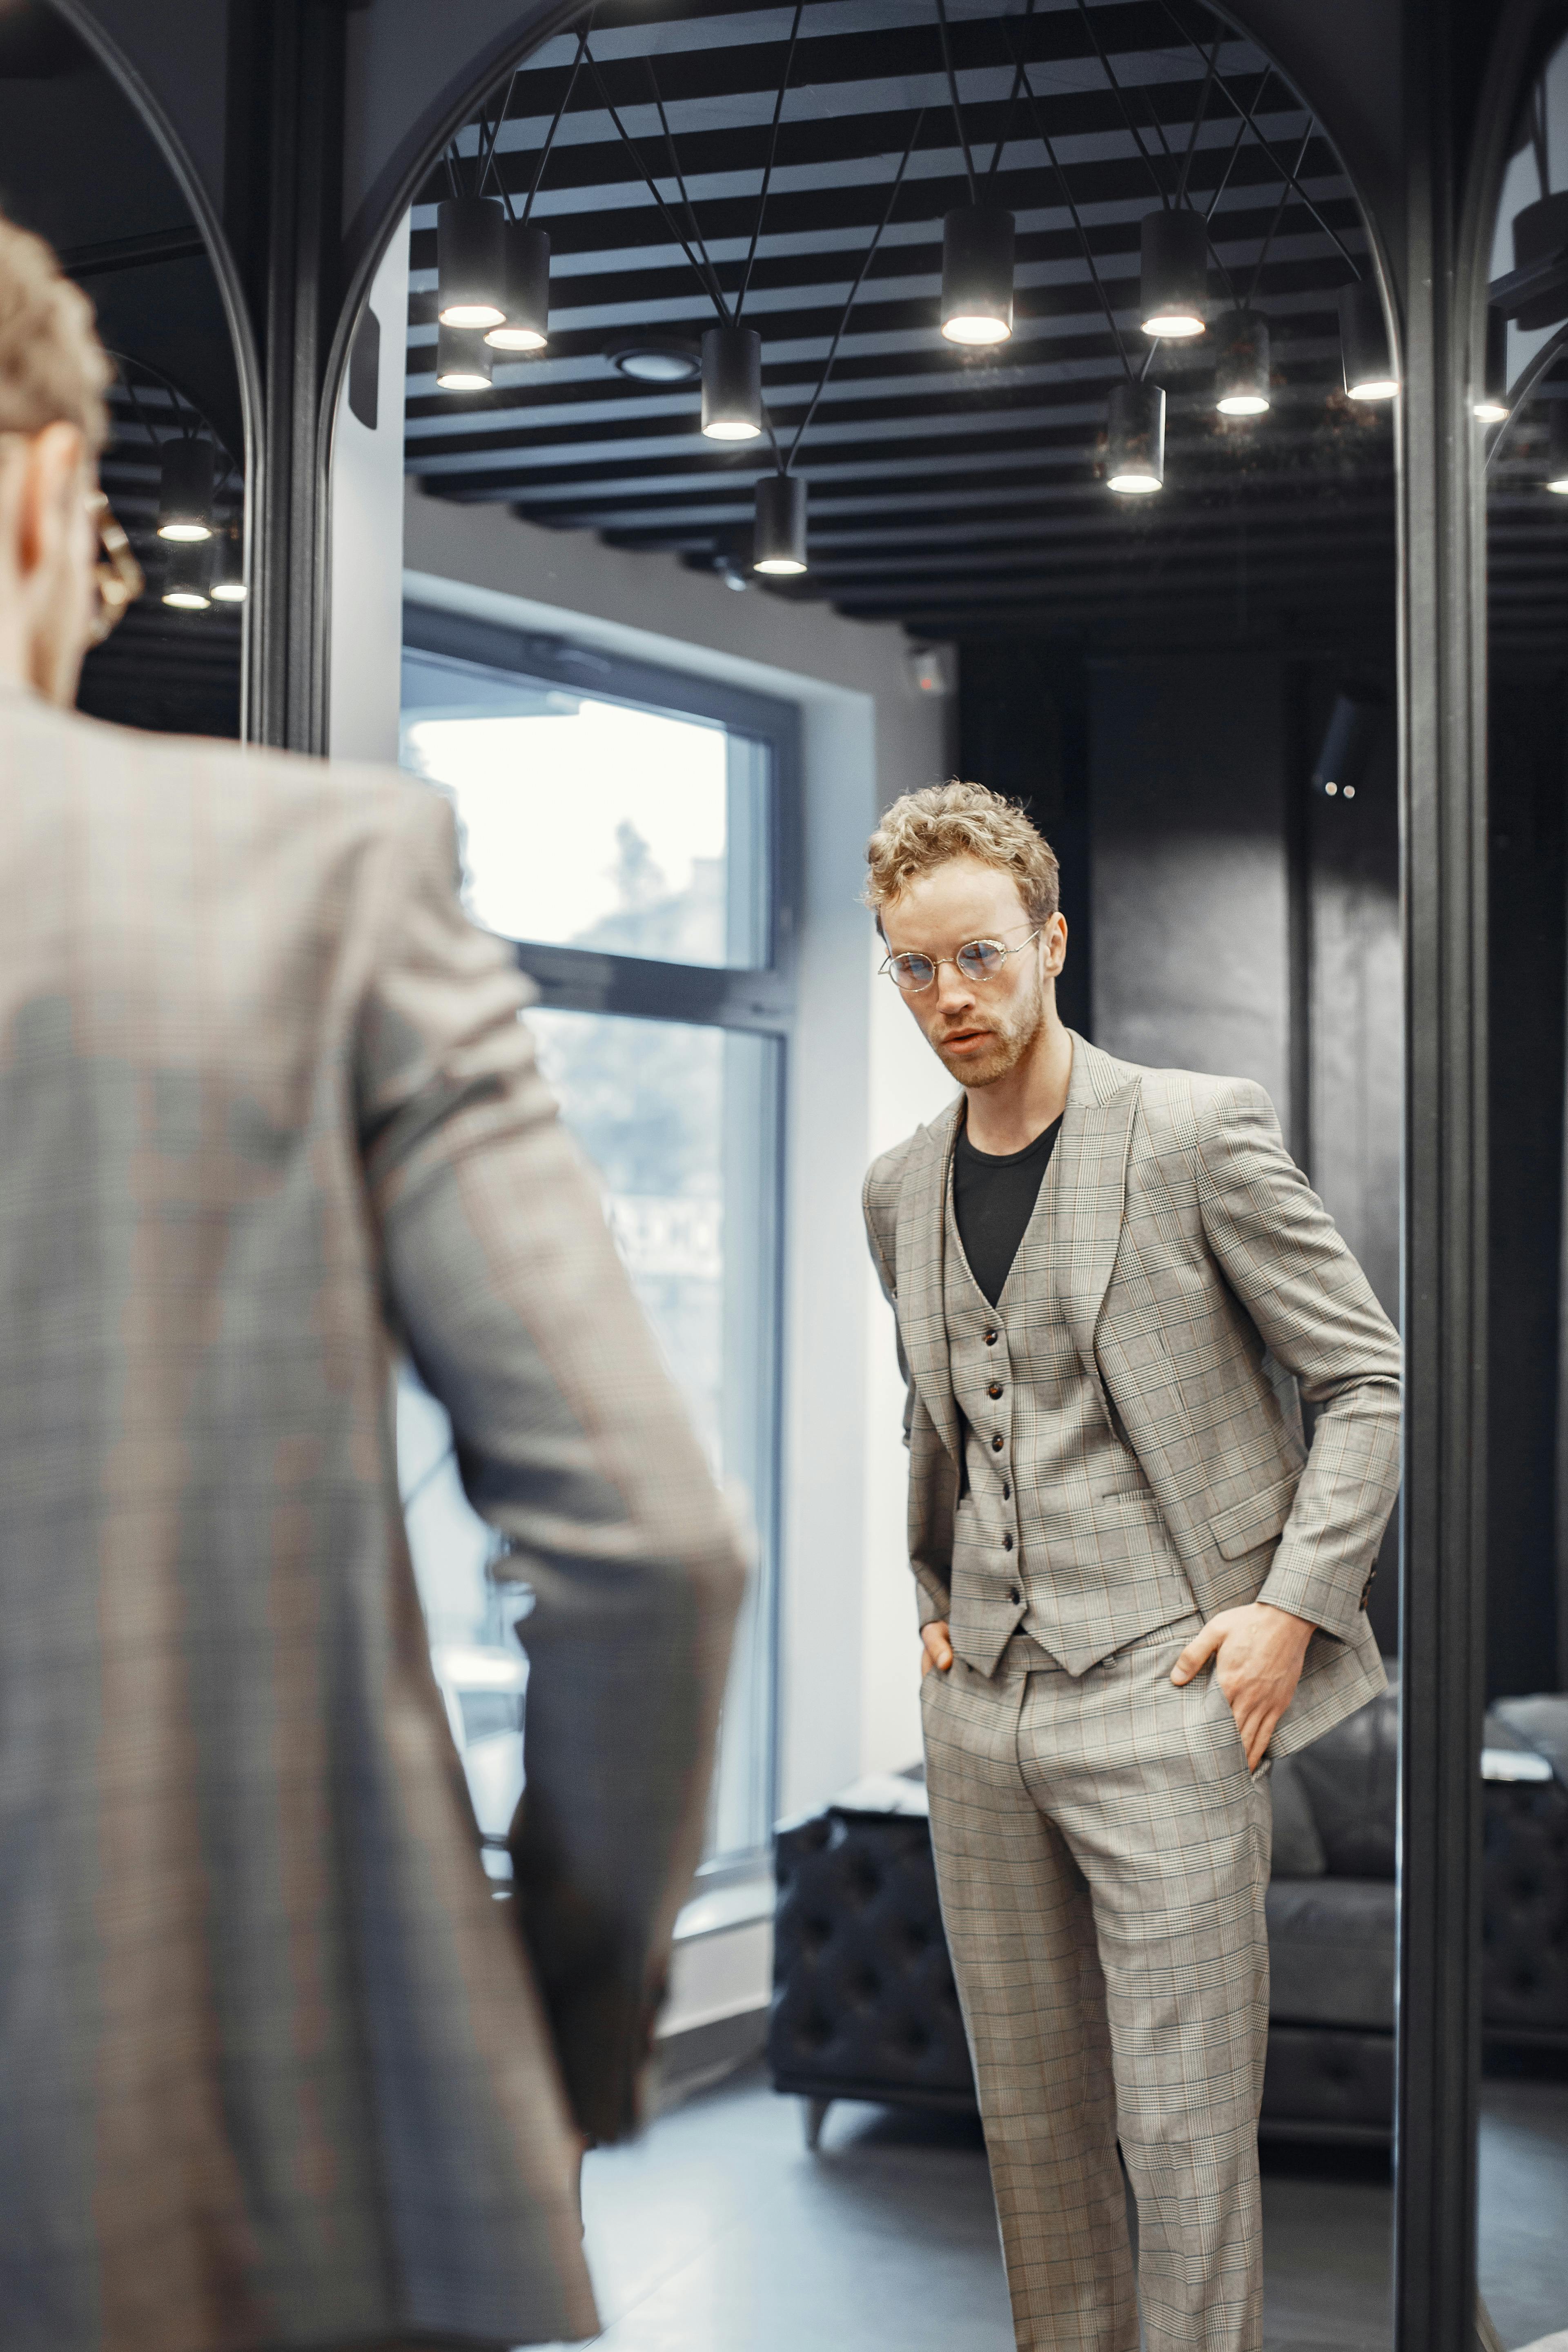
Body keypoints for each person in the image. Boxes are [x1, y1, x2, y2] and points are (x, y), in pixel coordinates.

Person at [0, 211, 745, 2352]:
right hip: (223, 2168)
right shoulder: (315, 879)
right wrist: (557, 2032)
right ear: (55, 493)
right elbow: (652, 1544)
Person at [862, 782, 1400, 2352]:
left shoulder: (1192, 1130)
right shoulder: (898, 1187)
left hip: (1166, 1700)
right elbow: (948, 1405)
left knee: (1183, 2150)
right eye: (913, 968)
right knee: (1033, 2149)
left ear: (1051, 940)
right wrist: (937, 1605)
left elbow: (1367, 1378)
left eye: (977, 957)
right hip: (983, 1726)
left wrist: (1290, 1614)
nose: (949, 999)